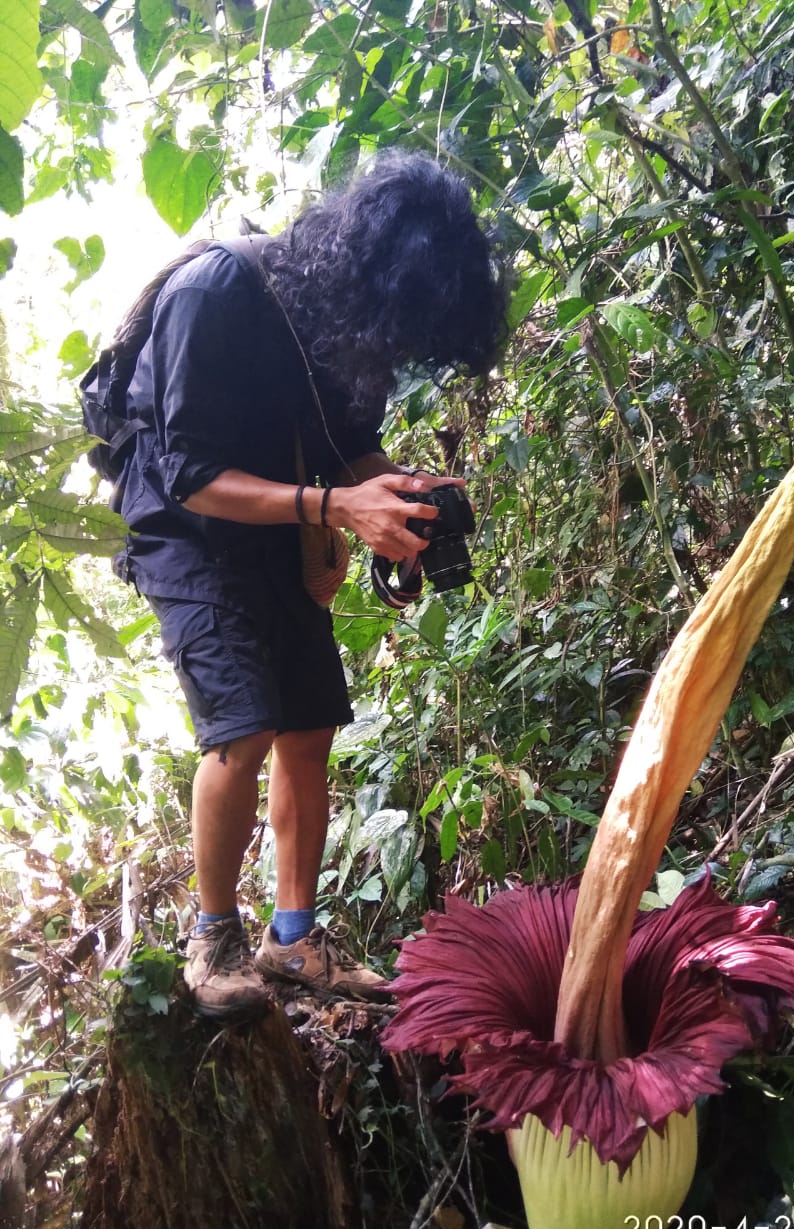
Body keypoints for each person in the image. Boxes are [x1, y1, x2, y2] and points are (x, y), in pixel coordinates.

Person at [111, 150, 506, 1018]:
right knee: (242, 730)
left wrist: (396, 494)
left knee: (311, 725)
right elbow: (189, 474)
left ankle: (292, 941)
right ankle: (211, 941)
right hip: (186, 529)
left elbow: (344, 450)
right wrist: (338, 505)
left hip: (280, 524)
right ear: (378, 272)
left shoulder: (343, 331)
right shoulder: (213, 294)